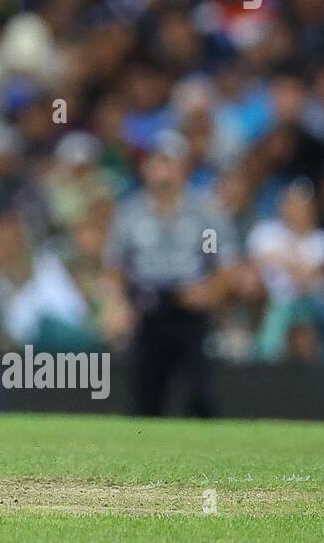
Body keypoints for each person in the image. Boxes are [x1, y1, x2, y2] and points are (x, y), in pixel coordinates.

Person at [102, 130, 241, 417]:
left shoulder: (205, 213)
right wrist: (117, 305)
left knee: (198, 391)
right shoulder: (130, 213)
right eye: (157, 162)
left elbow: (227, 265)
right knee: (146, 396)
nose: (162, 171)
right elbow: (115, 266)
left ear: (183, 168)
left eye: (169, 163)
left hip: (189, 310)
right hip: (148, 308)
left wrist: (210, 291)